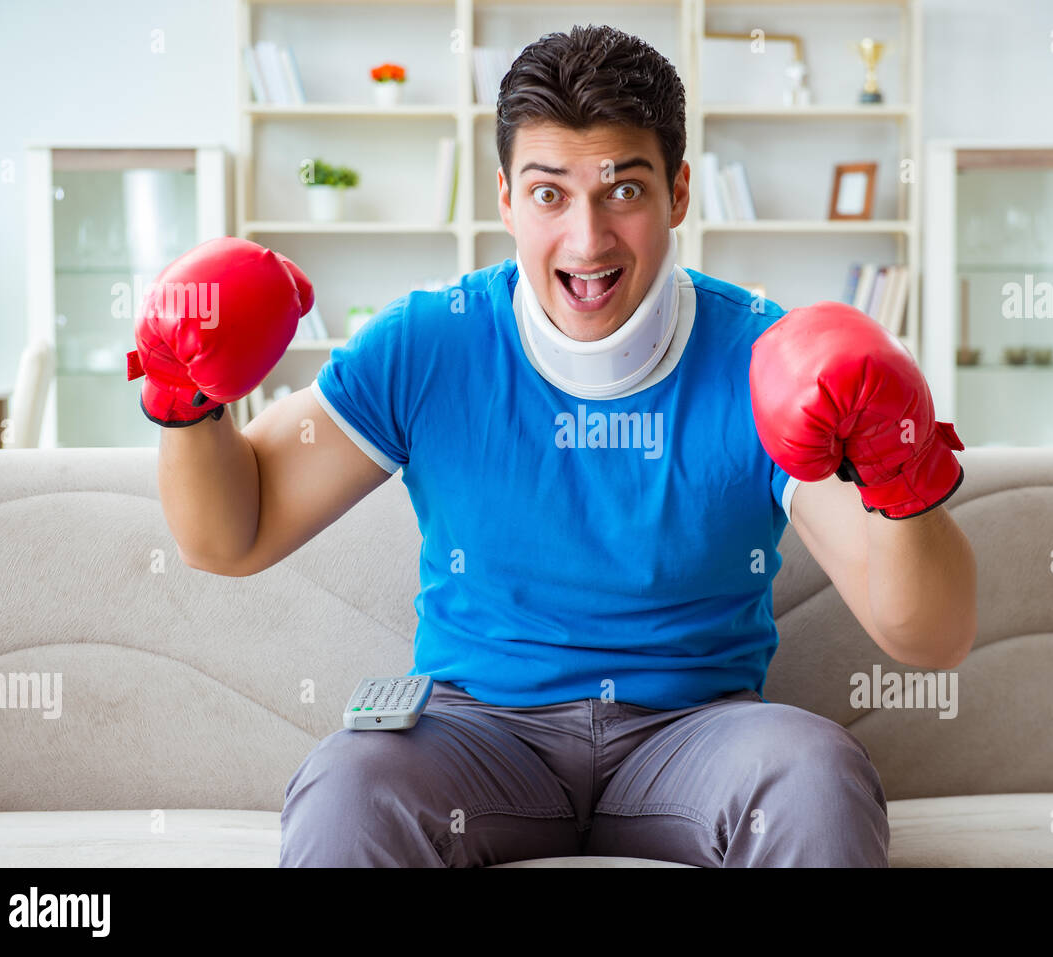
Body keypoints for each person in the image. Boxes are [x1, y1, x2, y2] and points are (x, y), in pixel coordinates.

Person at [130, 24, 976, 868]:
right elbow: (229, 536)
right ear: (505, 199)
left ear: (679, 193)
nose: (587, 239)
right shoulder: (429, 341)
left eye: (623, 190)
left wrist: (900, 470)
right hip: (475, 735)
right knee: (348, 785)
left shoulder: (763, 356)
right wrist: (184, 397)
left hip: (698, 735)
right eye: (549, 194)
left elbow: (930, 638)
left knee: (817, 774)